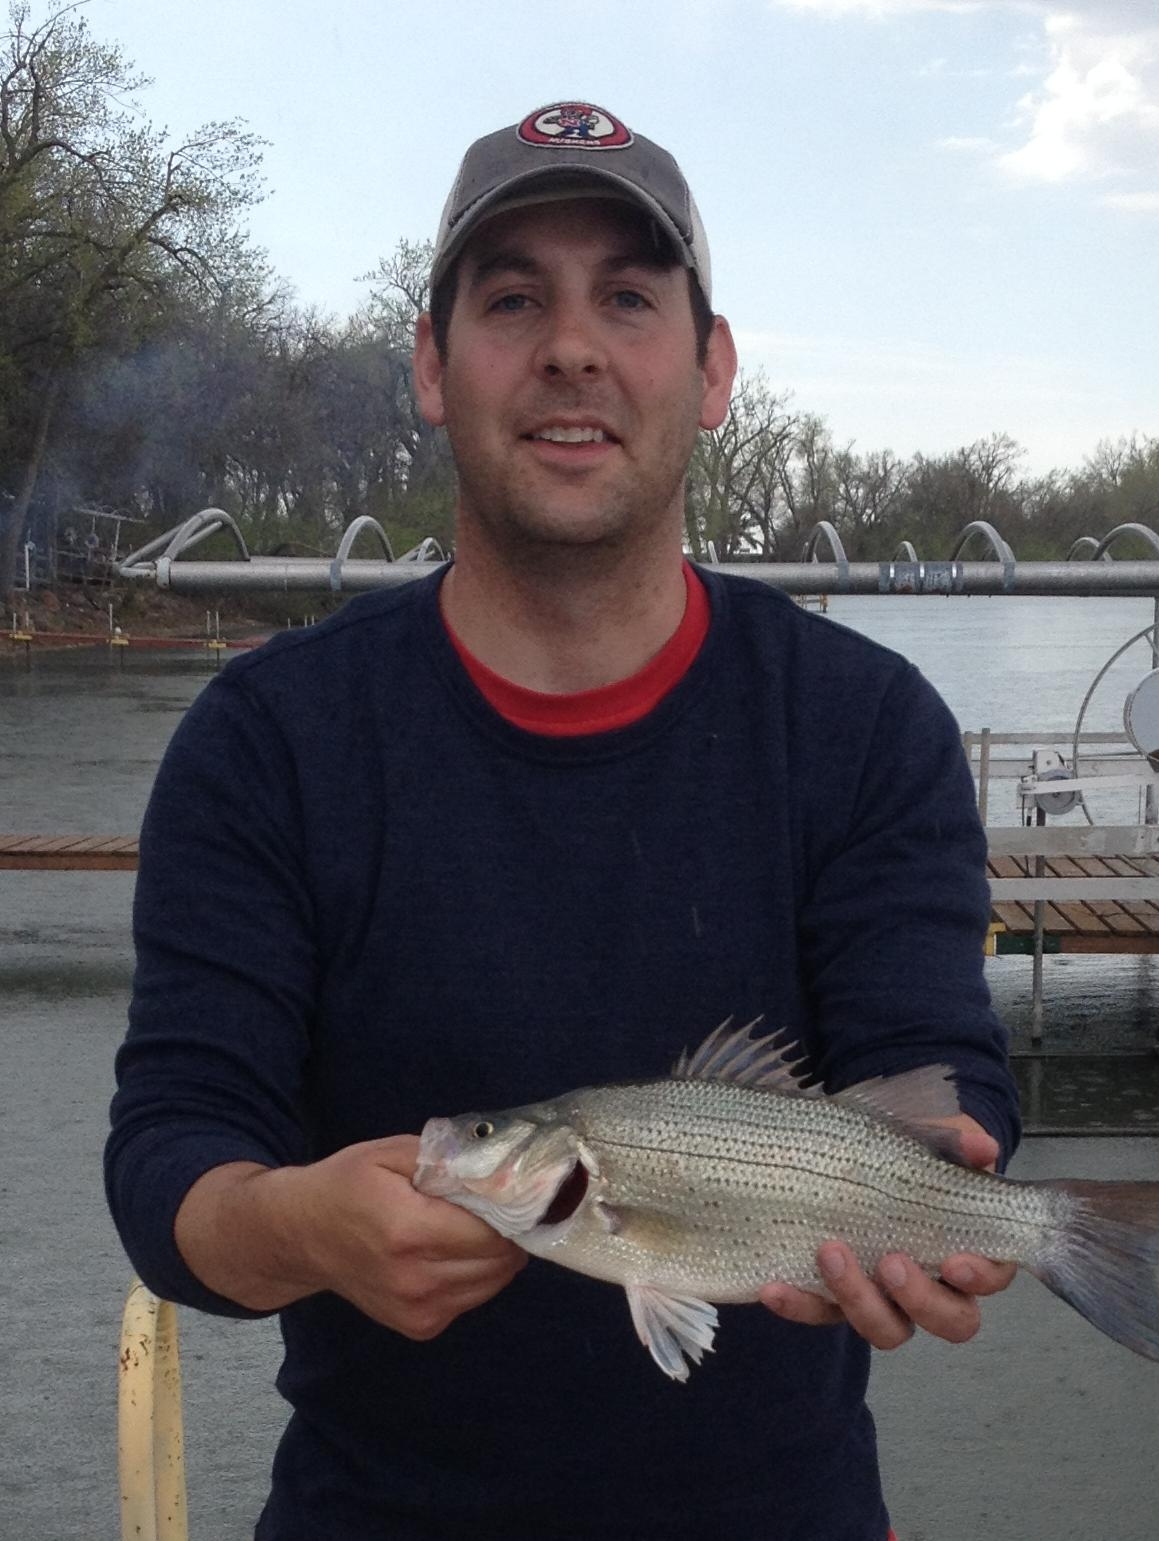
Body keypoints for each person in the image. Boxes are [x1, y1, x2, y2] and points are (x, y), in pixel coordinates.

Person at [106, 100, 1020, 1541]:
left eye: (630, 297)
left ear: (712, 370)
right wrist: (296, 1226)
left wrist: (952, 1185)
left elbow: (936, 1060)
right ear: (431, 364)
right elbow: (171, 1153)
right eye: (513, 298)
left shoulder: (867, 724)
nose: (573, 349)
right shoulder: (266, 740)